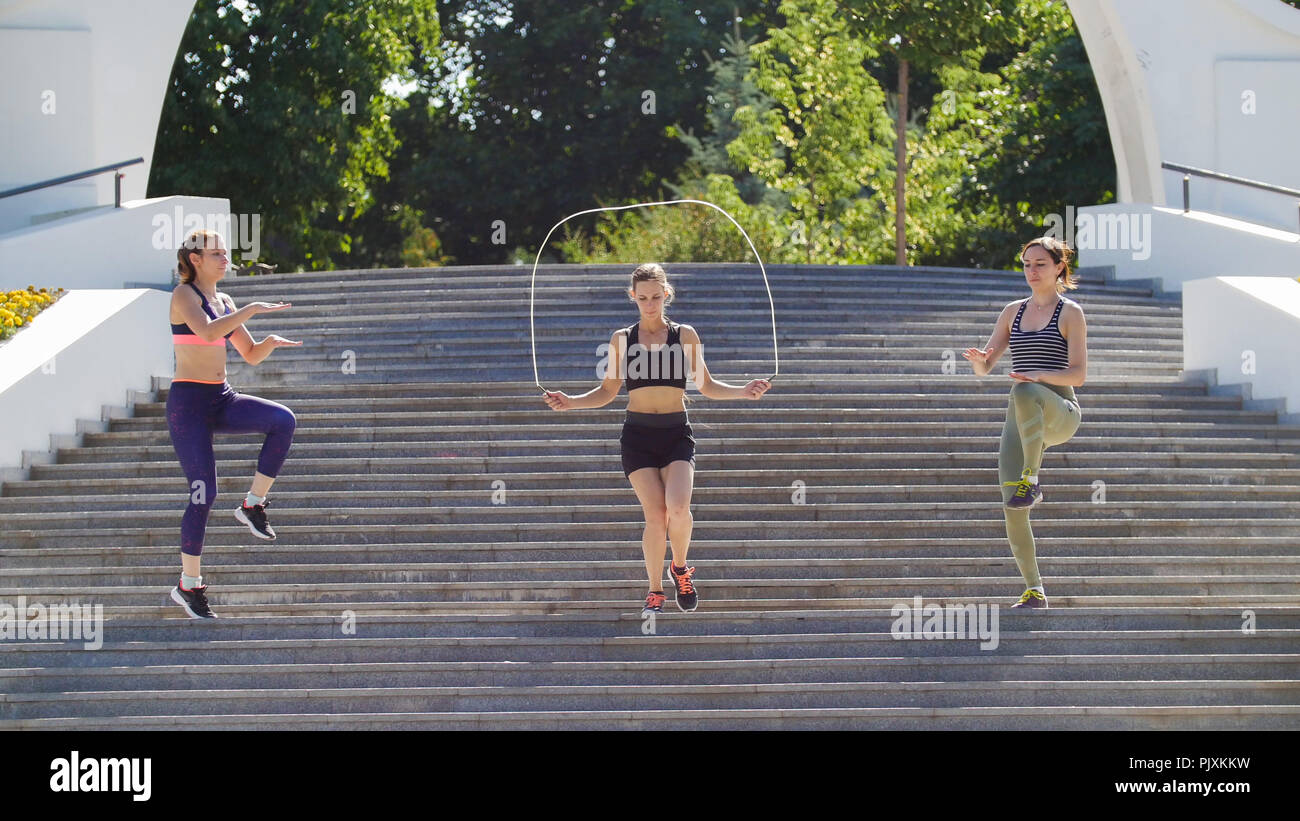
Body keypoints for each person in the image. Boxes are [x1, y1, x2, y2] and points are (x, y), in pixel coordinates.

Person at [543, 263, 771, 614]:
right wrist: (571, 402)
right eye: (642, 298)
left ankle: (679, 567)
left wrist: (744, 391)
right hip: (637, 436)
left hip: (676, 433)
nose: (650, 304)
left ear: (666, 295)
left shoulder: (685, 336)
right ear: (633, 297)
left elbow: (706, 385)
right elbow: (607, 391)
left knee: (678, 509)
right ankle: (654, 590)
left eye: (656, 297)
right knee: (656, 514)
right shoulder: (623, 339)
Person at [166, 229, 301, 618]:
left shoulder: (224, 299)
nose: (226, 259)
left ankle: (253, 504)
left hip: (221, 398)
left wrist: (269, 342)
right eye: (217, 254)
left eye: (226, 253)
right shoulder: (183, 296)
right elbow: (207, 332)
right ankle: (188, 585)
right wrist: (254, 308)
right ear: (195, 260)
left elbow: (250, 354)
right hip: (188, 405)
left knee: (283, 420)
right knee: (202, 493)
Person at [962, 237, 1087, 609]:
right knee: (1011, 505)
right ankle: (1034, 589)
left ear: (1059, 268)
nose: (1032, 271)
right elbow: (987, 366)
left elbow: (1078, 376)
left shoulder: (1070, 313)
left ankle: (1030, 479)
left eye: (1040, 264)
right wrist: (978, 361)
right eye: (1026, 264)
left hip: (1061, 411)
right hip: (1024, 416)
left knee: (1022, 391)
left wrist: (1037, 375)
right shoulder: (1012, 312)